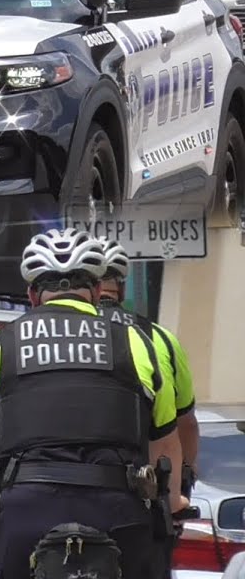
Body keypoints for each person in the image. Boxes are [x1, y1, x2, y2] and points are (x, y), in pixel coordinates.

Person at [0, 228, 189, 579]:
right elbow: (165, 441)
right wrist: (172, 502)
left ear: (33, 296)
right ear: (97, 293)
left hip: (26, 513)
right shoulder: (137, 342)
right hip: (119, 510)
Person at [98, 238, 199, 579]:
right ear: (121, 287)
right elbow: (185, 425)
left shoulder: (49, 336)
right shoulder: (159, 339)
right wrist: (181, 491)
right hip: (142, 496)